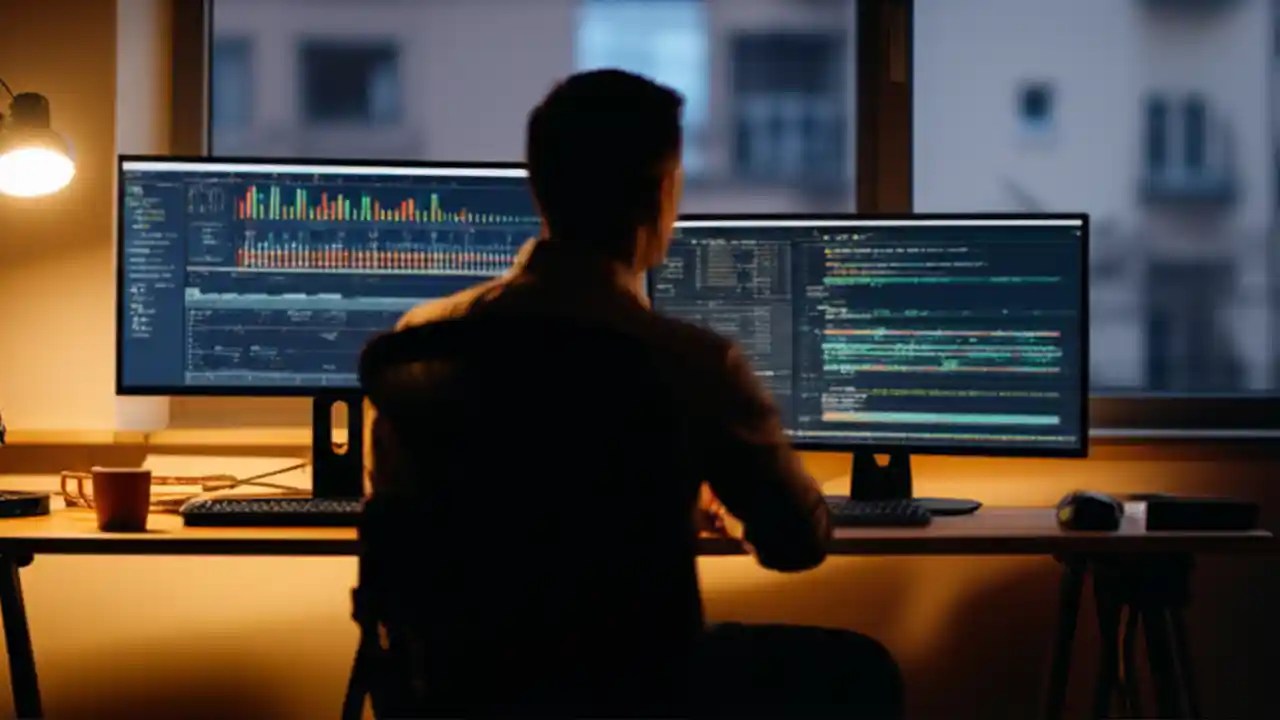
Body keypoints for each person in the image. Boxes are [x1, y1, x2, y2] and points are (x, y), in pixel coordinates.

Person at [369, 69, 903, 717]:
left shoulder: (420, 342)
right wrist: (723, 501)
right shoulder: (688, 362)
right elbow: (797, 544)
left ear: (541, 188)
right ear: (662, 194)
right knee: (859, 672)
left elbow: (400, 519)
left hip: (459, 692)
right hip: (636, 693)